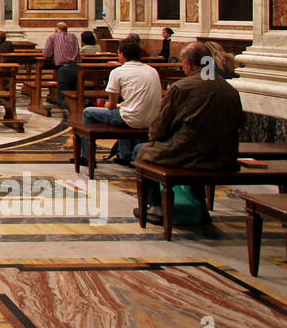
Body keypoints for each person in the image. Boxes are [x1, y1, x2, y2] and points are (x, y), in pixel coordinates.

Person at [133, 42, 245, 221]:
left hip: (192, 155)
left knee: (140, 150)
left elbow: (158, 128)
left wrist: (158, 137)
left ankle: (155, 207)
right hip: (224, 156)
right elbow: (240, 122)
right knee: (197, 147)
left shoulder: (181, 88)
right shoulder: (228, 88)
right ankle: (199, 204)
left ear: (189, 64)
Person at [79, 34, 162, 164]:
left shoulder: (118, 72)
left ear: (122, 55)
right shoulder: (152, 70)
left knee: (88, 112)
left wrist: (109, 105)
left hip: (133, 118)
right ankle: (125, 154)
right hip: (152, 118)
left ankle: (87, 157)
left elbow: (111, 105)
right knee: (124, 110)